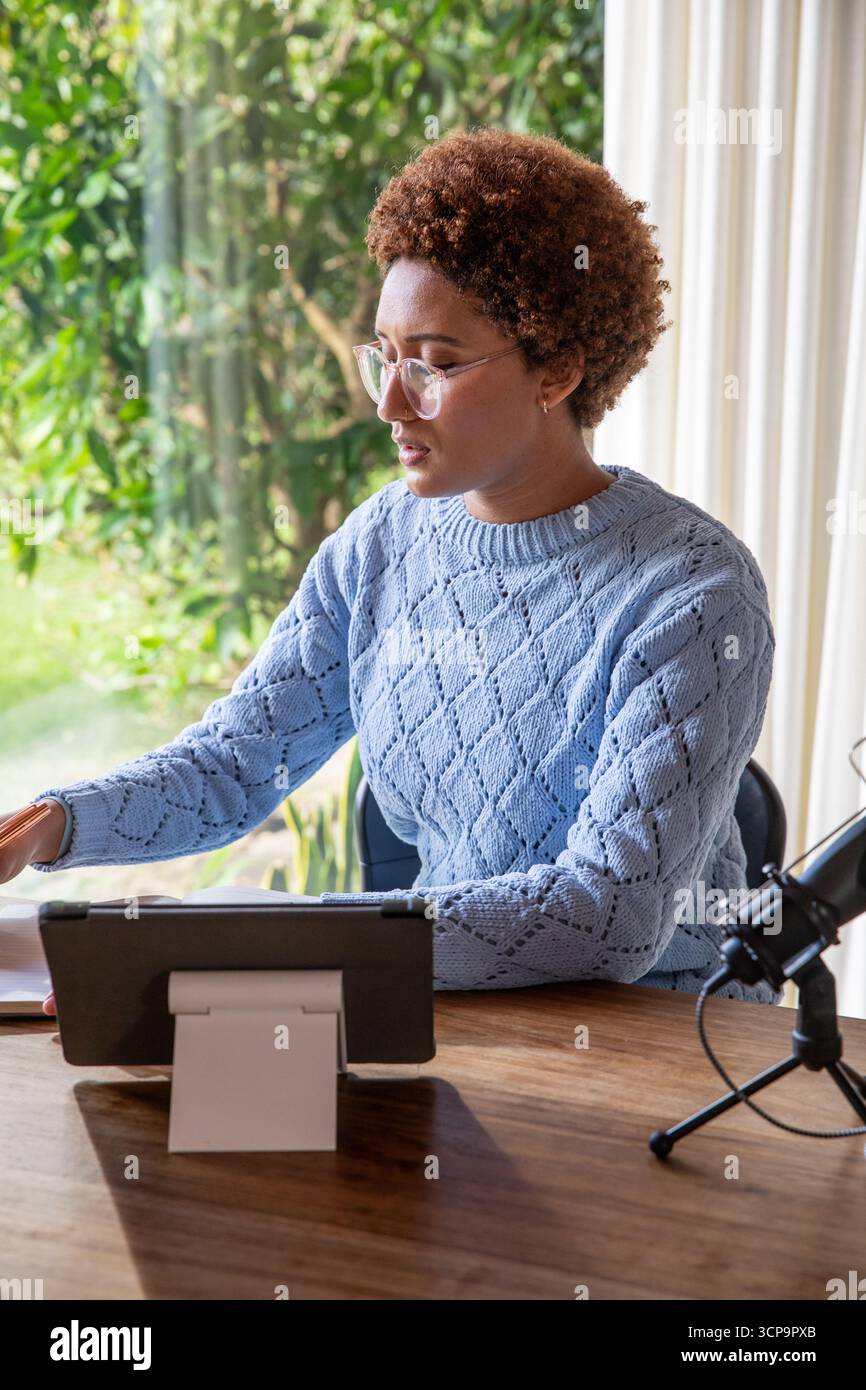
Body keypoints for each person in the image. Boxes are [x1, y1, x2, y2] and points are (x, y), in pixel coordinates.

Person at [0, 126, 782, 1013]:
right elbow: (234, 765)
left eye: (435, 364)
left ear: (557, 371)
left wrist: (274, 945)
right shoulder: (382, 544)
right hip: (445, 1011)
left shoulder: (692, 591)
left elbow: (607, 917)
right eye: (385, 354)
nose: (389, 401)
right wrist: (46, 826)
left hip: (659, 1041)